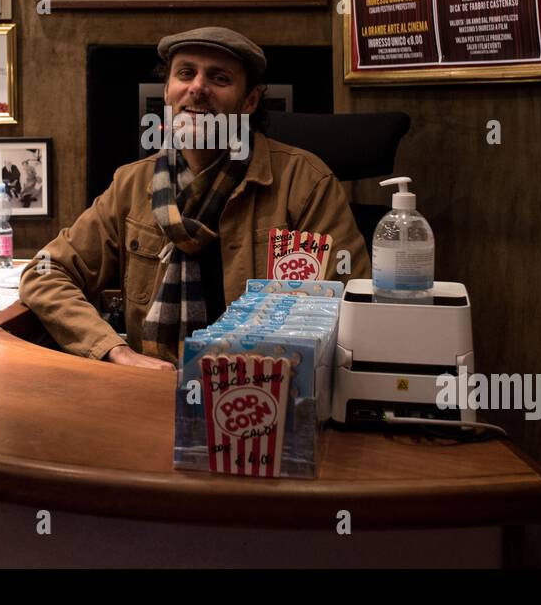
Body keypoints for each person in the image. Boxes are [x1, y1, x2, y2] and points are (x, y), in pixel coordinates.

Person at [20, 27, 372, 370]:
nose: (198, 88)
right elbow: (46, 273)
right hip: (154, 390)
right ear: (168, 91)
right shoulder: (131, 184)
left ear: (249, 101)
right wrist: (113, 350)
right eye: (185, 73)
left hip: (264, 390)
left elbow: (347, 298)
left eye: (219, 79)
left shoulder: (305, 182)